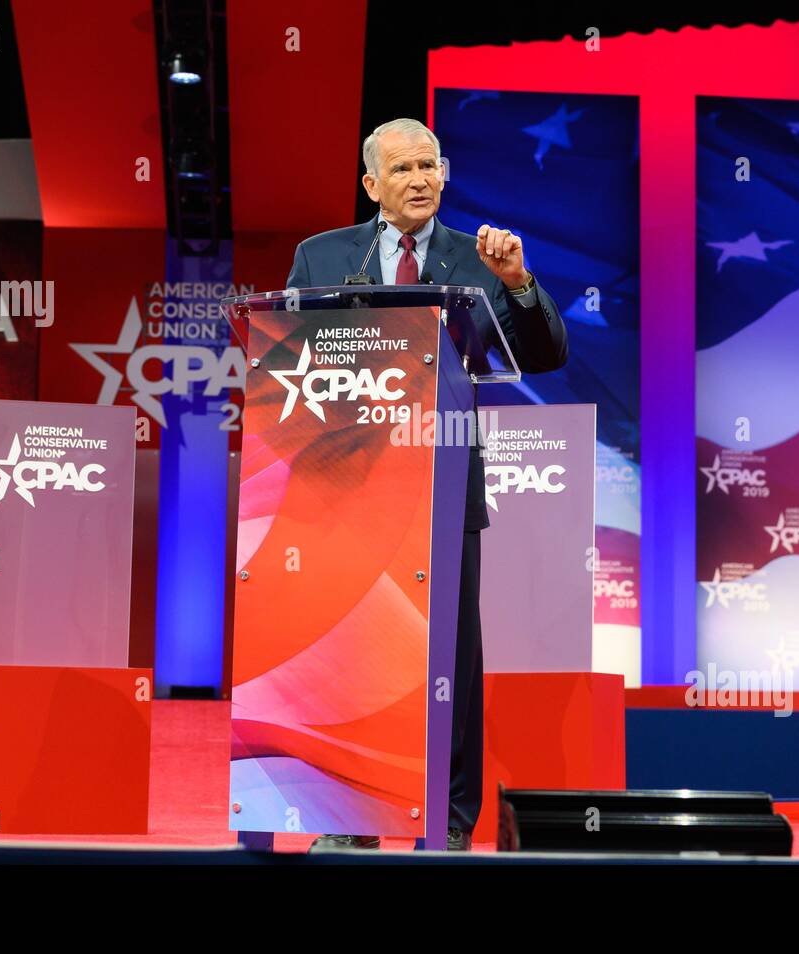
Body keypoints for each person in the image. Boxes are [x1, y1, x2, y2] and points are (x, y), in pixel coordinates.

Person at [289, 118, 568, 850]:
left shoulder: (476, 260)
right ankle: (344, 819)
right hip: (346, 492)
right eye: (403, 169)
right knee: (348, 660)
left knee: (447, 663)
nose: (419, 180)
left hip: (442, 487)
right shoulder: (320, 258)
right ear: (371, 184)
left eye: (430, 166)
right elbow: (284, 359)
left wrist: (518, 282)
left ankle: (442, 825)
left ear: (444, 175)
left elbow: (544, 355)